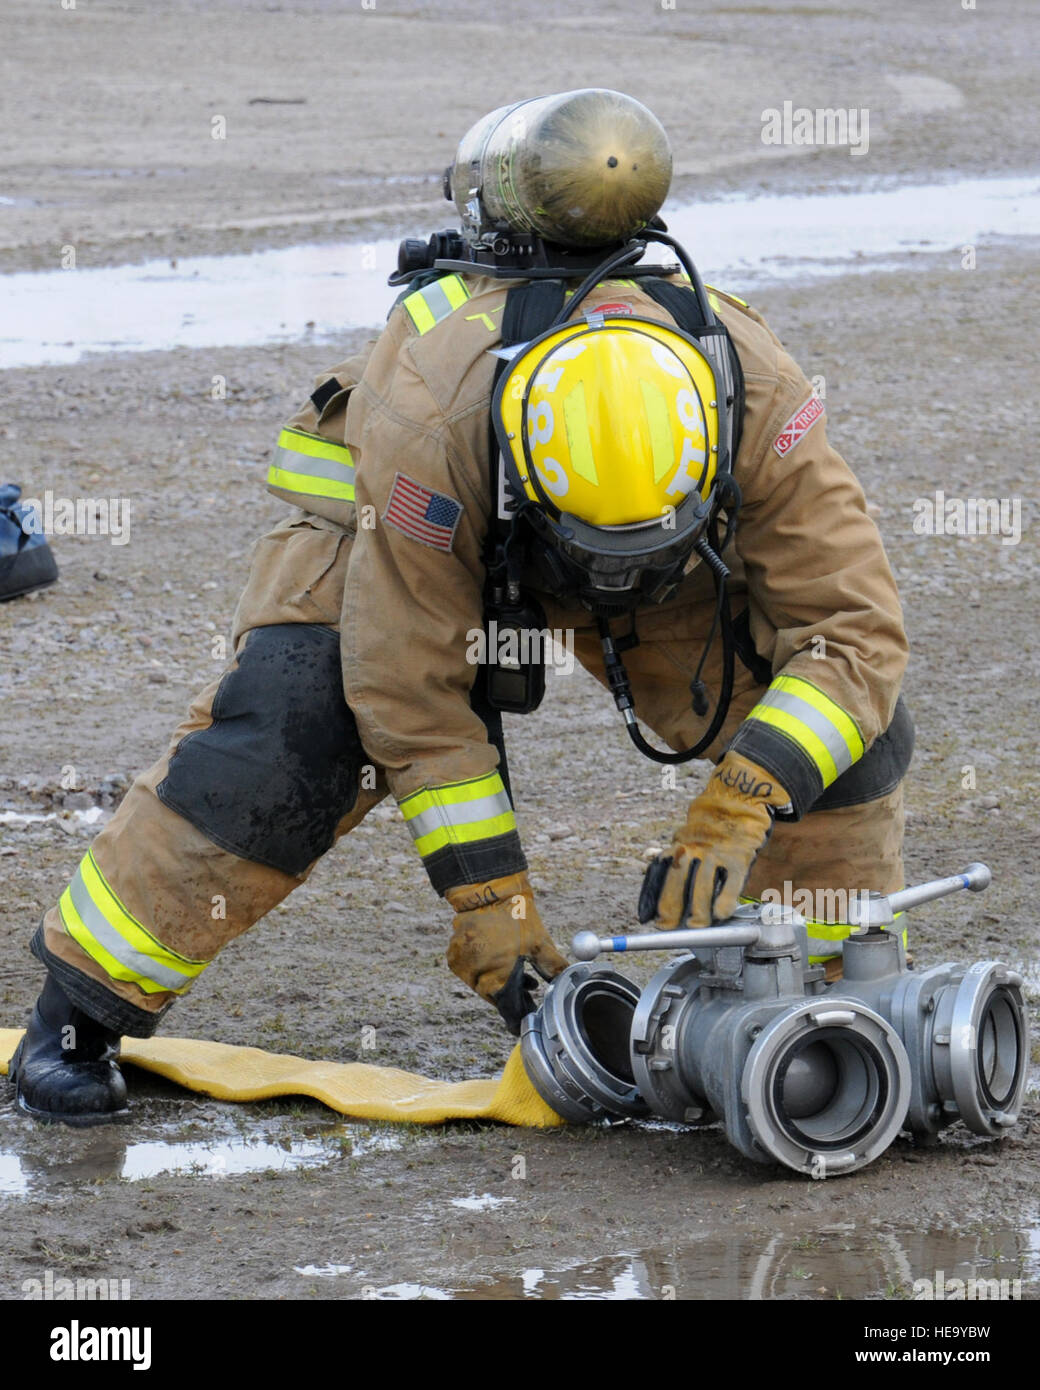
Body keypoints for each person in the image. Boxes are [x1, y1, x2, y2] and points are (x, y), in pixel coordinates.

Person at [8, 88, 912, 1127]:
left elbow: (852, 632)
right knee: (290, 738)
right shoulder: (432, 408)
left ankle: (806, 1003)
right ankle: (76, 1013)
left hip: (677, 546)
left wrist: (739, 805)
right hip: (394, 532)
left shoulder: (755, 388)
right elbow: (411, 691)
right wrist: (493, 908)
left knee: (842, 740)